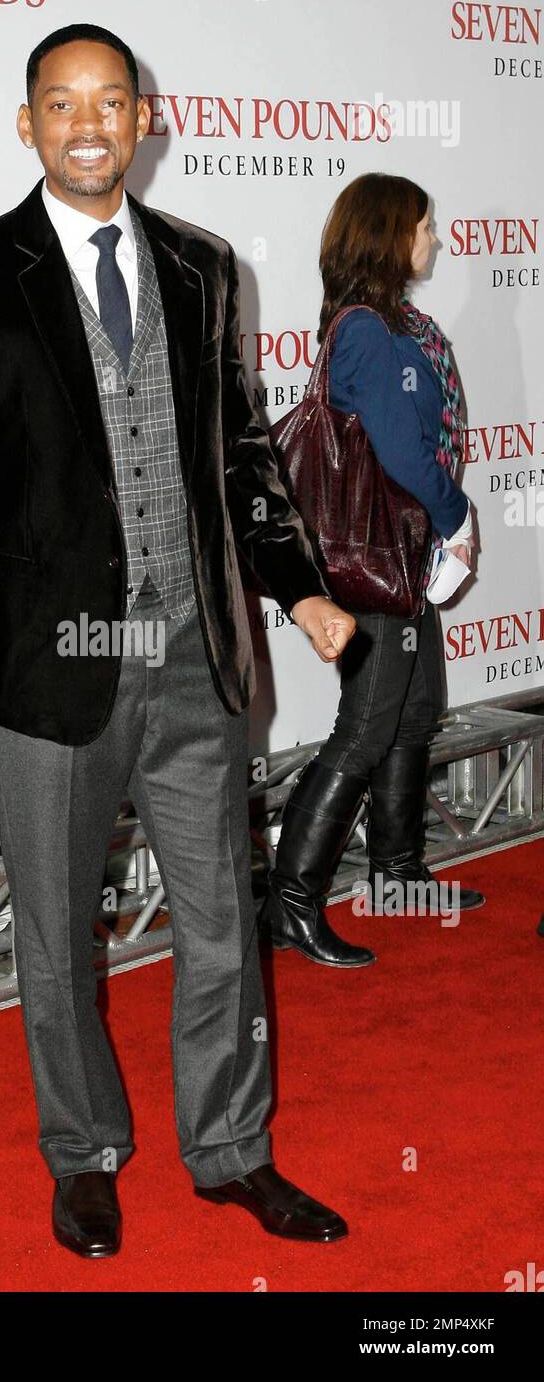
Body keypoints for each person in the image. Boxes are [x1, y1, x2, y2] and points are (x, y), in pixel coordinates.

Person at [0, 23, 358, 1258]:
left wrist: (297, 586)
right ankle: (85, 1153)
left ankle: (232, 1152)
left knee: (222, 928)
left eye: (111, 101)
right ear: (28, 123)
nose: (89, 123)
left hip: (196, 662)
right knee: (57, 942)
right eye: (62, 103)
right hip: (43, 676)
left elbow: (246, 456)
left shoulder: (204, 267)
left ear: (143, 119)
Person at [262, 172, 484, 972]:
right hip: (373, 558)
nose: (433, 240)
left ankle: (395, 872)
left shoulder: (398, 325)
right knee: (364, 727)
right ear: (391, 235)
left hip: (404, 557)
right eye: (424, 227)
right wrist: (459, 518)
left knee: (416, 709)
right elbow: (397, 450)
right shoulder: (364, 330)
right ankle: (290, 903)